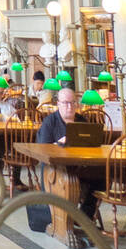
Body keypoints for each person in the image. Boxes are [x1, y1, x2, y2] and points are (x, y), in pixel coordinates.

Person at [35, 88, 96, 240]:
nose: (69, 106)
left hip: (81, 167)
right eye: (66, 103)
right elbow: (43, 149)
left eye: (73, 103)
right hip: (56, 171)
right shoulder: (50, 122)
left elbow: (93, 144)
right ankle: (66, 224)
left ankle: (83, 216)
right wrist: (58, 144)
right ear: (58, 104)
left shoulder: (82, 121)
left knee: (101, 179)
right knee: (70, 182)